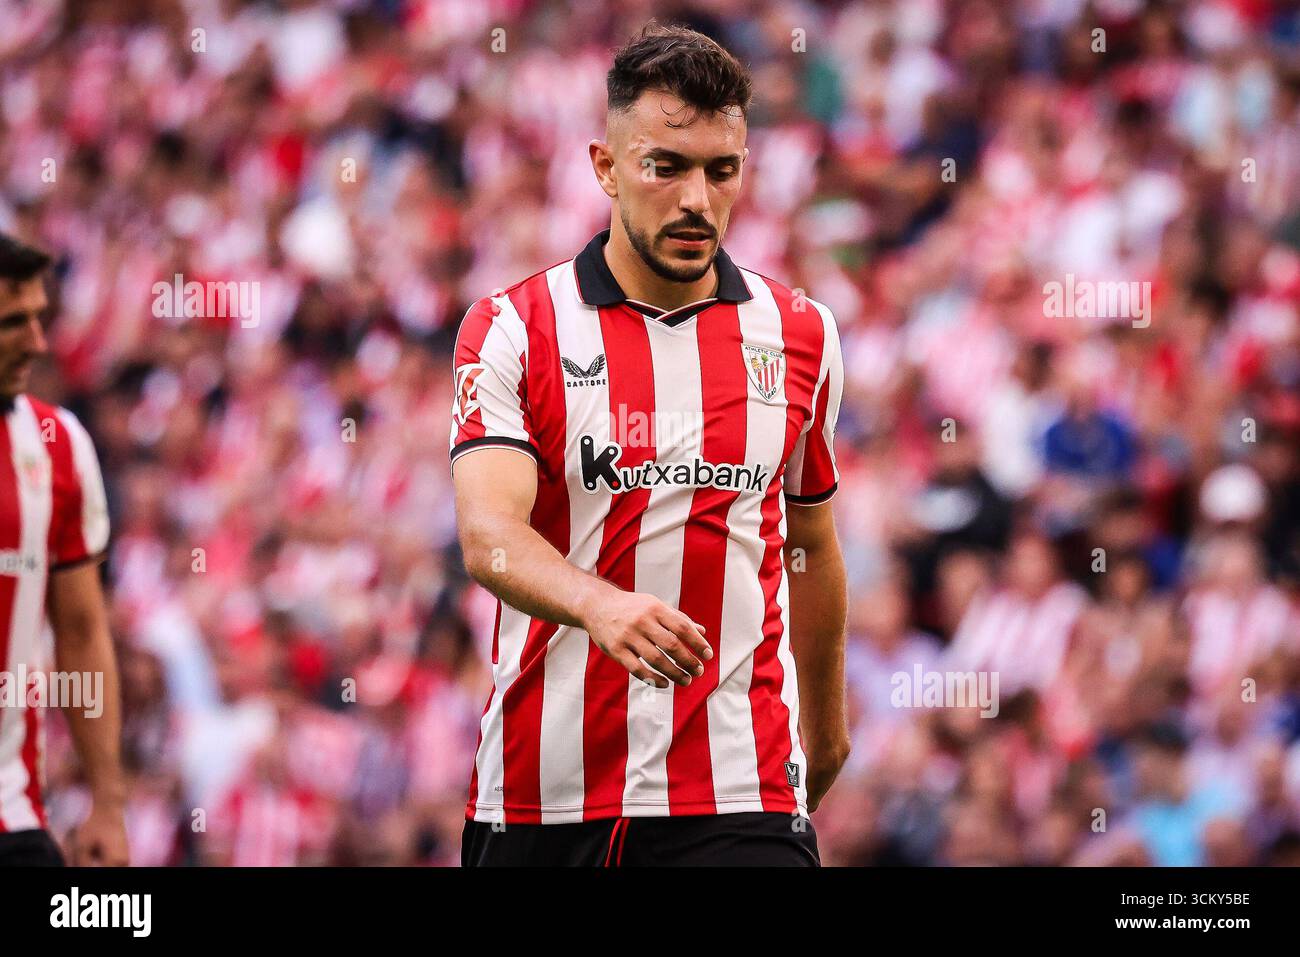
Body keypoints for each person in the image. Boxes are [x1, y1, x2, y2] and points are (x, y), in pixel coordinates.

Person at [451, 24, 849, 865]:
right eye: (665, 166)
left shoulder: (800, 333)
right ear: (605, 166)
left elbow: (811, 541)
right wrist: (601, 604)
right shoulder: (514, 329)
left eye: (721, 170)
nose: (697, 199)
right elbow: (490, 538)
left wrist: (828, 727)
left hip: (740, 797)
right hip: (541, 801)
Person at [0, 233, 127, 866]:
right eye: (12, 323)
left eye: (38, 319)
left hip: (14, 816)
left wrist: (107, 801)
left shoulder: (58, 446)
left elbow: (81, 629)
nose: (37, 342)